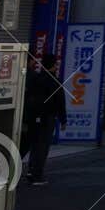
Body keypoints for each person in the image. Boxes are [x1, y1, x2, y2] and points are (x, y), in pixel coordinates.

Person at [22, 53, 68, 185]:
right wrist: (63, 119)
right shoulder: (55, 81)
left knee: (34, 144)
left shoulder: (36, 78)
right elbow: (60, 101)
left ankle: (31, 170)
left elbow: (27, 97)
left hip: (33, 117)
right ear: (54, 65)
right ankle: (37, 175)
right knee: (42, 146)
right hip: (47, 117)